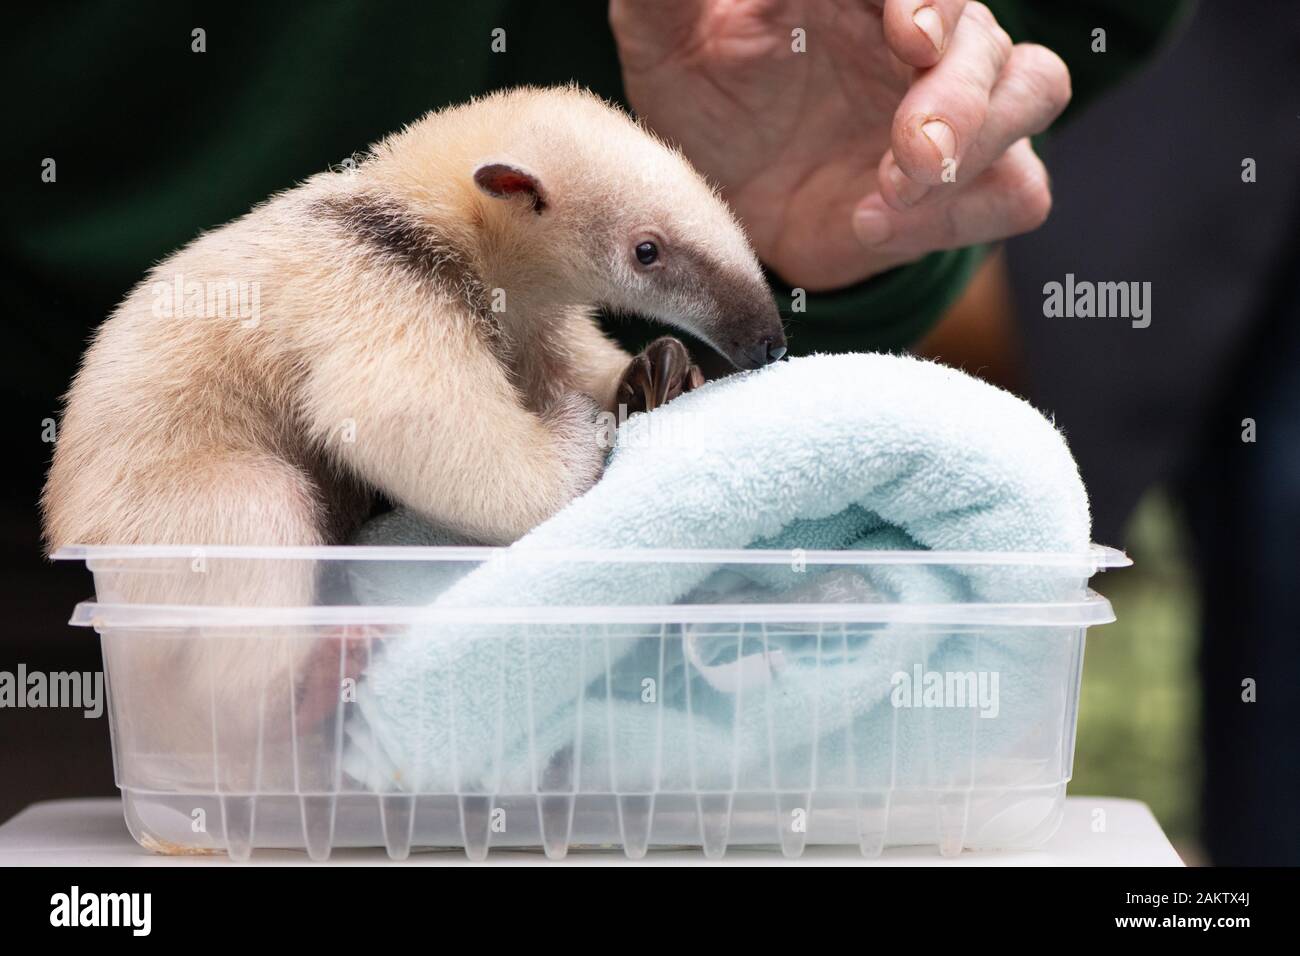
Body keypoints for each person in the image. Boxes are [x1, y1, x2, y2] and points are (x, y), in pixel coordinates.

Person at [0, 1, 1185, 820]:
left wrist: (657, 384)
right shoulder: (376, 264)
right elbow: (440, 445)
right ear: (513, 198)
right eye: (651, 255)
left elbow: (580, 381)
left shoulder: (517, 272)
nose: (715, 304)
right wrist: (582, 466)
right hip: (177, 486)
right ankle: (276, 708)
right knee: (256, 522)